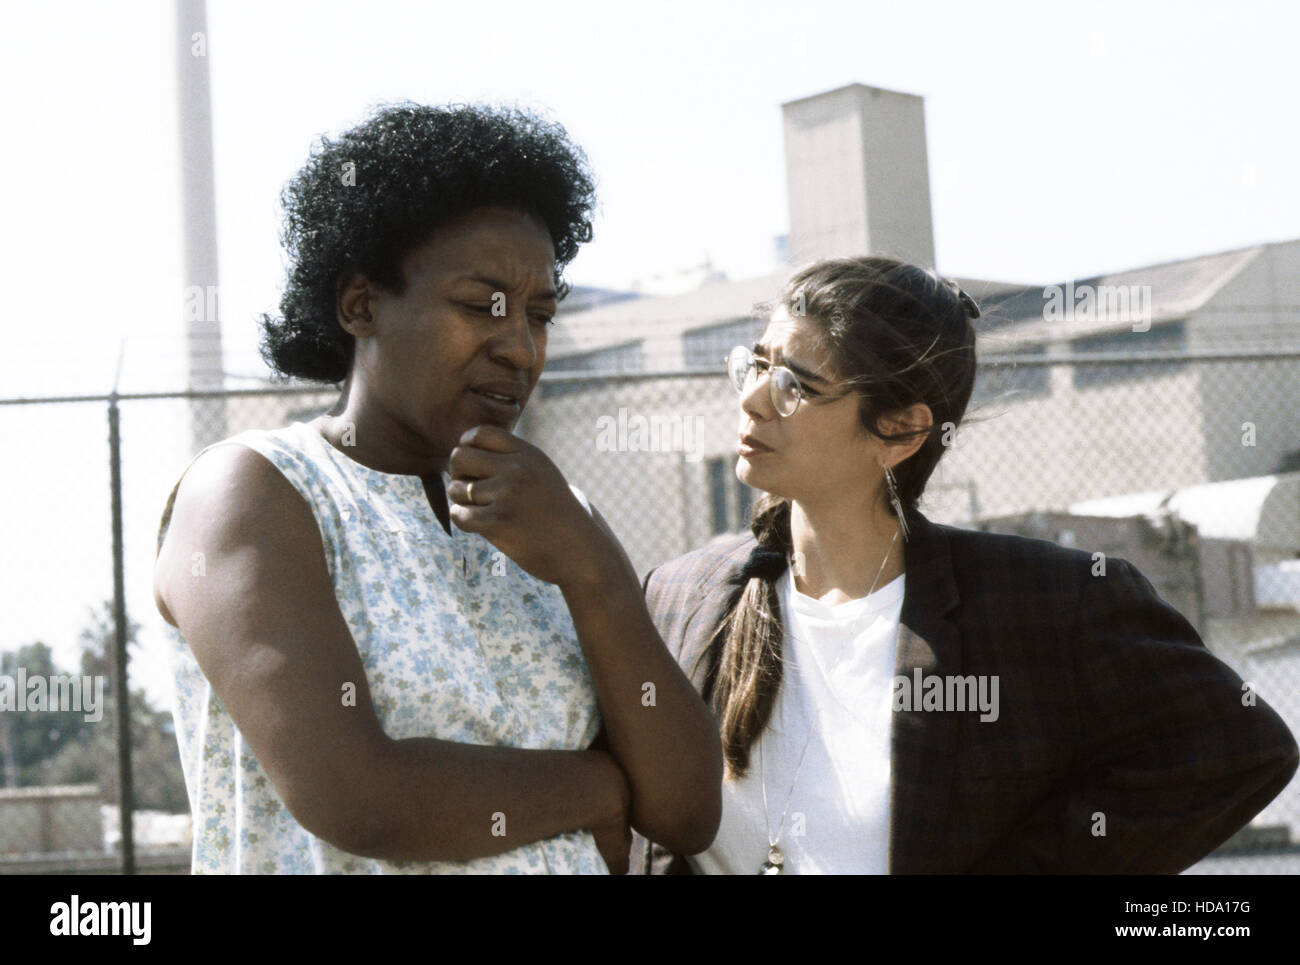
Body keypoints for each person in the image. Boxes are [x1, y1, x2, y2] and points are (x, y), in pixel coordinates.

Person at [153, 103, 722, 874]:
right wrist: (597, 788)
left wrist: (593, 571)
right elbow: (363, 799)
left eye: (541, 314)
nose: (519, 347)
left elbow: (686, 811)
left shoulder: (561, 518)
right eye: (479, 305)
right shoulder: (260, 492)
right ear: (361, 304)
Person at [630, 255, 1298, 874]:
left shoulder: (1044, 604)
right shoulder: (683, 593)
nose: (751, 398)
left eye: (791, 385)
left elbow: (1241, 748)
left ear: (900, 430)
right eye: (754, 365)